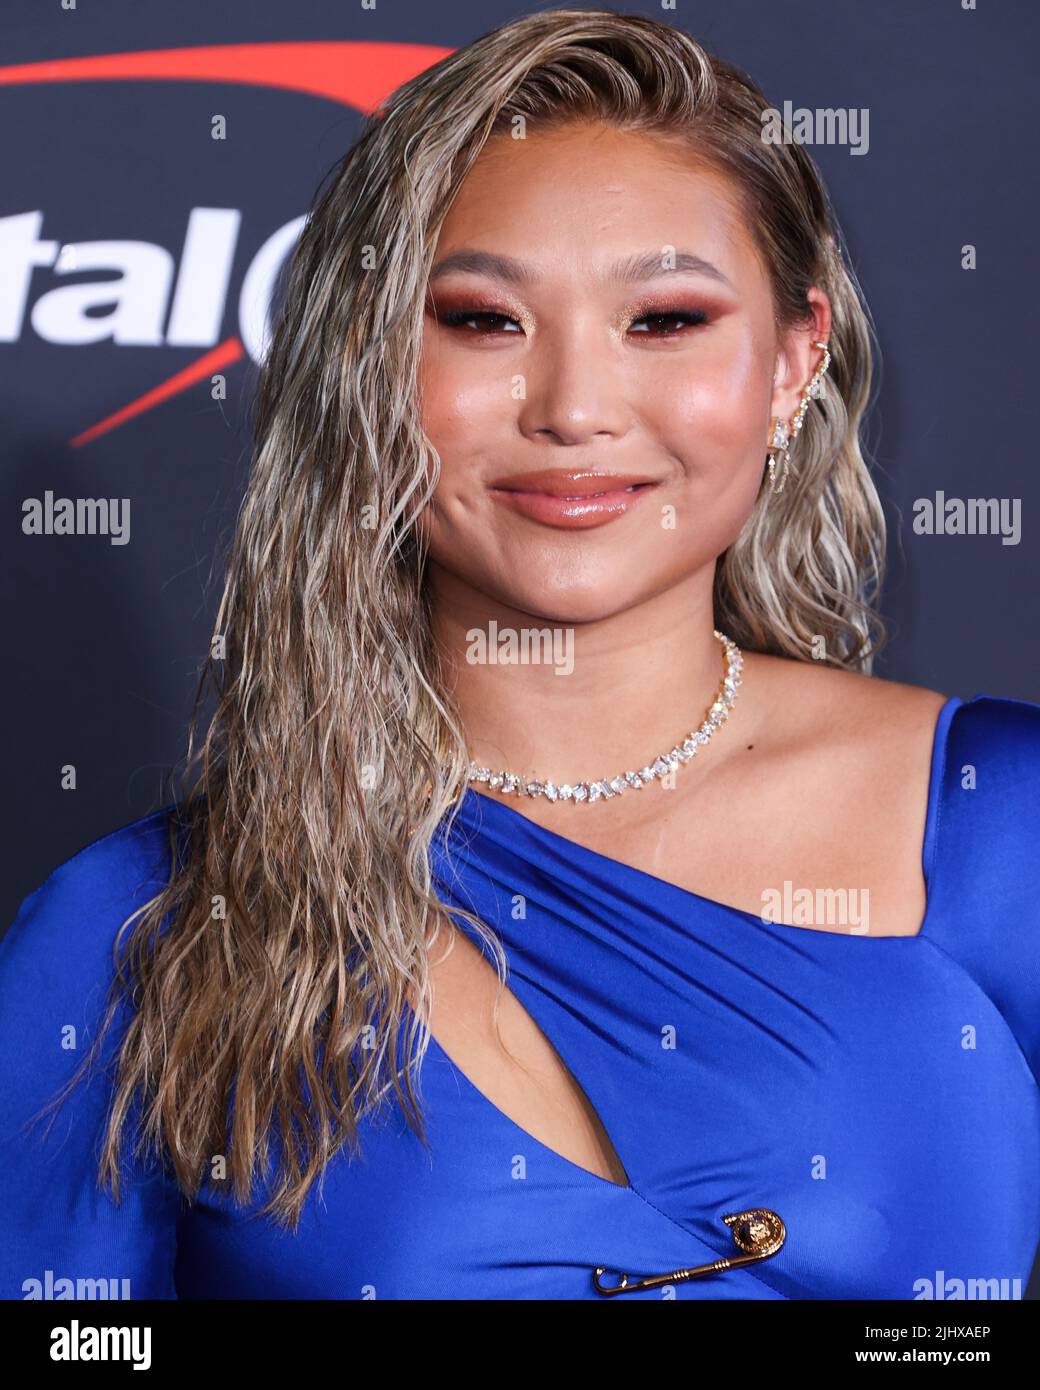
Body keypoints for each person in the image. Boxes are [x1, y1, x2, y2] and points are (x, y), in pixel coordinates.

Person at [2, 9, 1038, 1302]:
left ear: (792, 363)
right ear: (370, 369)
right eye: (485, 321)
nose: (574, 409)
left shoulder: (1004, 822)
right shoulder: (129, 934)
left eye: (664, 319)